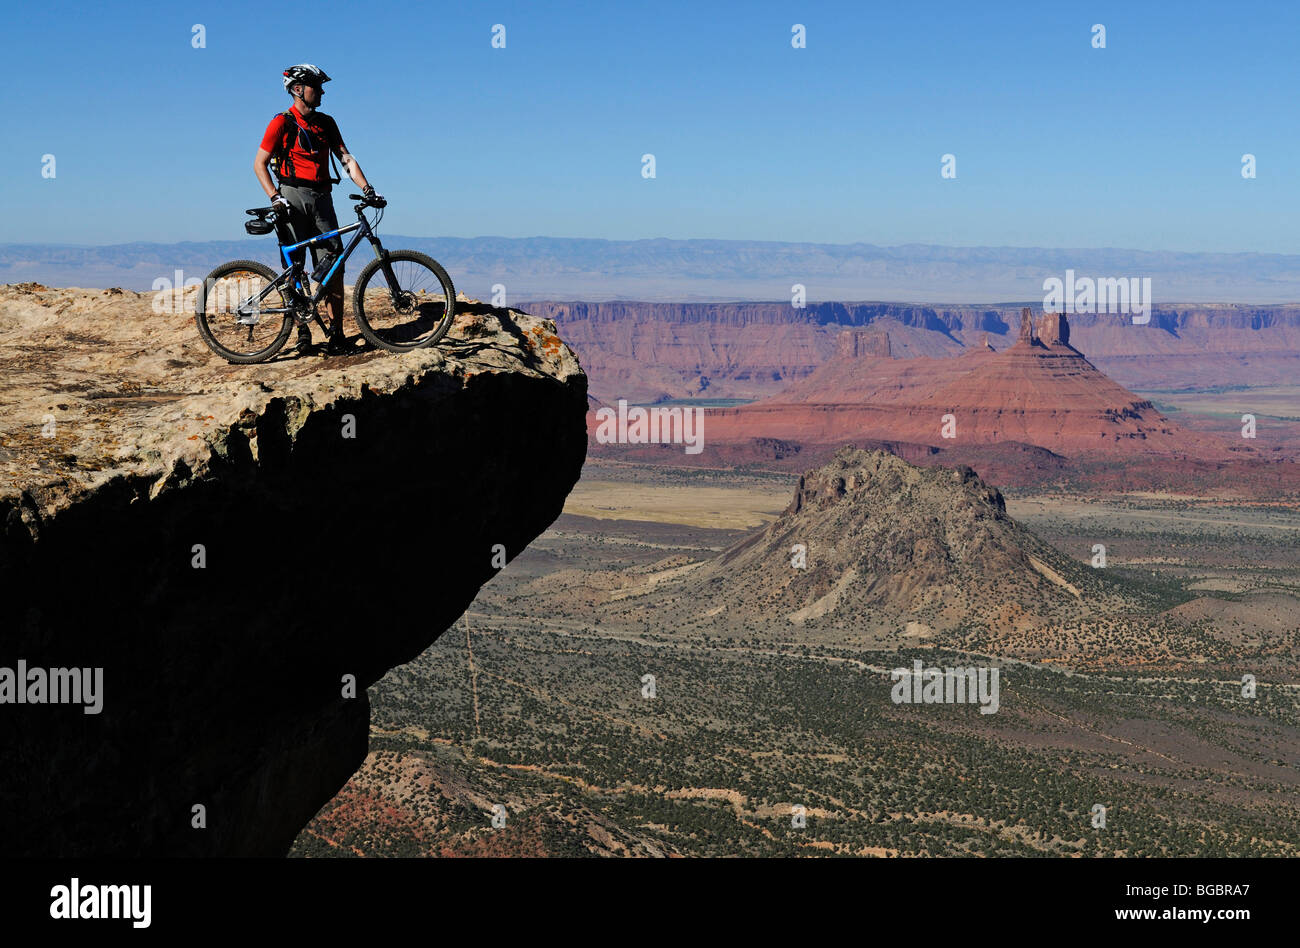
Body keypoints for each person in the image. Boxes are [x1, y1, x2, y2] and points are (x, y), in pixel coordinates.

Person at [254, 64, 376, 356]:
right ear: (298, 89)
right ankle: (302, 332)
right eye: (316, 87)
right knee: (294, 266)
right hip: (291, 197)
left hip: (323, 198)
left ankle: (336, 335)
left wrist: (367, 189)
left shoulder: (327, 122)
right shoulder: (281, 122)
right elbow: (259, 163)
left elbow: (346, 158)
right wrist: (274, 197)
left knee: (334, 265)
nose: (321, 92)